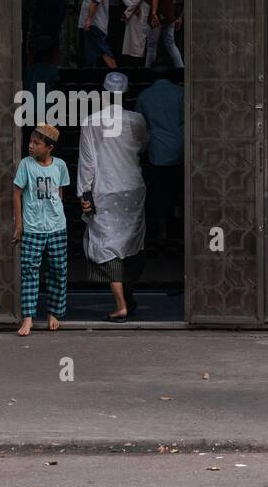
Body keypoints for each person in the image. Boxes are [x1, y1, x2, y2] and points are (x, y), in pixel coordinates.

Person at [77, 71, 148, 321]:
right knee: (130, 245)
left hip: (104, 189)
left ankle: (121, 304)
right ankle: (128, 297)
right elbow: (142, 146)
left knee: (107, 246)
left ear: (103, 94)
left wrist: (84, 192)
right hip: (131, 189)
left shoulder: (91, 121)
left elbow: (87, 162)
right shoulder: (137, 120)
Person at [13, 123, 71, 336]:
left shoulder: (60, 166)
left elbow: (60, 193)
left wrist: (56, 214)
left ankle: (54, 312)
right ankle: (28, 318)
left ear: (49, 148)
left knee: (57, 271)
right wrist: (20, 225)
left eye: (36, 143)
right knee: (30, 272)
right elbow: (17, 194)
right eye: (30, 142)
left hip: (57, 227)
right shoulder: (26, 165)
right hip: (33, 228)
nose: (31, 146)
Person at [135, 64, 184, 242]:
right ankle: (181, 227)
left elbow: (140, 125)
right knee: (179, 189)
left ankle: (163, 230)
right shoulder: (181, 93)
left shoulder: (144, 96)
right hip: (181, 149)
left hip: (157, 151)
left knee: (159, 192)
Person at [144, 0, 184, 70]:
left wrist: (154, 13)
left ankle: (147, 73)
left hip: (158, 16)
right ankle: (181, 69)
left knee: (152, 46)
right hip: (169, 15)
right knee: (171, 44)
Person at [77, 0, 116, 69]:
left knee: (103, 51)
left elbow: (95, 2)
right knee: (94, 54)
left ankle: (117, 75)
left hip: (94, 25)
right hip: (92, 25)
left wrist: (88, 20)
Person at [120, 0, 151, 68]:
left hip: (132, 16)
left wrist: (129, 9)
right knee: (139, 44)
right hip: (139, 15)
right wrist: (132, 10)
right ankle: (138, 72)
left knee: (130, 44)